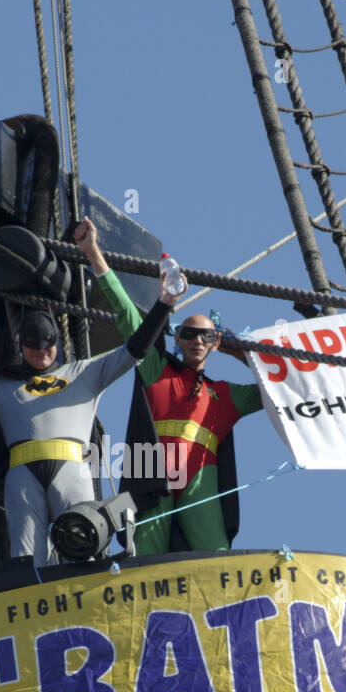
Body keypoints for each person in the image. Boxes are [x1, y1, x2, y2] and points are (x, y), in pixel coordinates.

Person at [0, 283, 178, 566]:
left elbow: (135, 349)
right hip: (22, 475)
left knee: (82, 547)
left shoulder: (85, 372)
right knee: (27, 560)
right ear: (21, 344)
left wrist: (164, 302)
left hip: (71, 469)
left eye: (47, 346)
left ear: (55, 341)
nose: (41, 354)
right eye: (33, 348)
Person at [74, 217, 263, 556]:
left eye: (206, 336)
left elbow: (279, 388)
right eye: (188, 334)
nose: (197, 341)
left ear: (215, 342)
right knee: (144, 562)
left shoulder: (226, 395)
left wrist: (242, 354)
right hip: (152, 473)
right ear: (177, 337)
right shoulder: (157, 369)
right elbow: (125, 314)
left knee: (216, 559)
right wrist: (93, 253)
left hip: (201, 477)